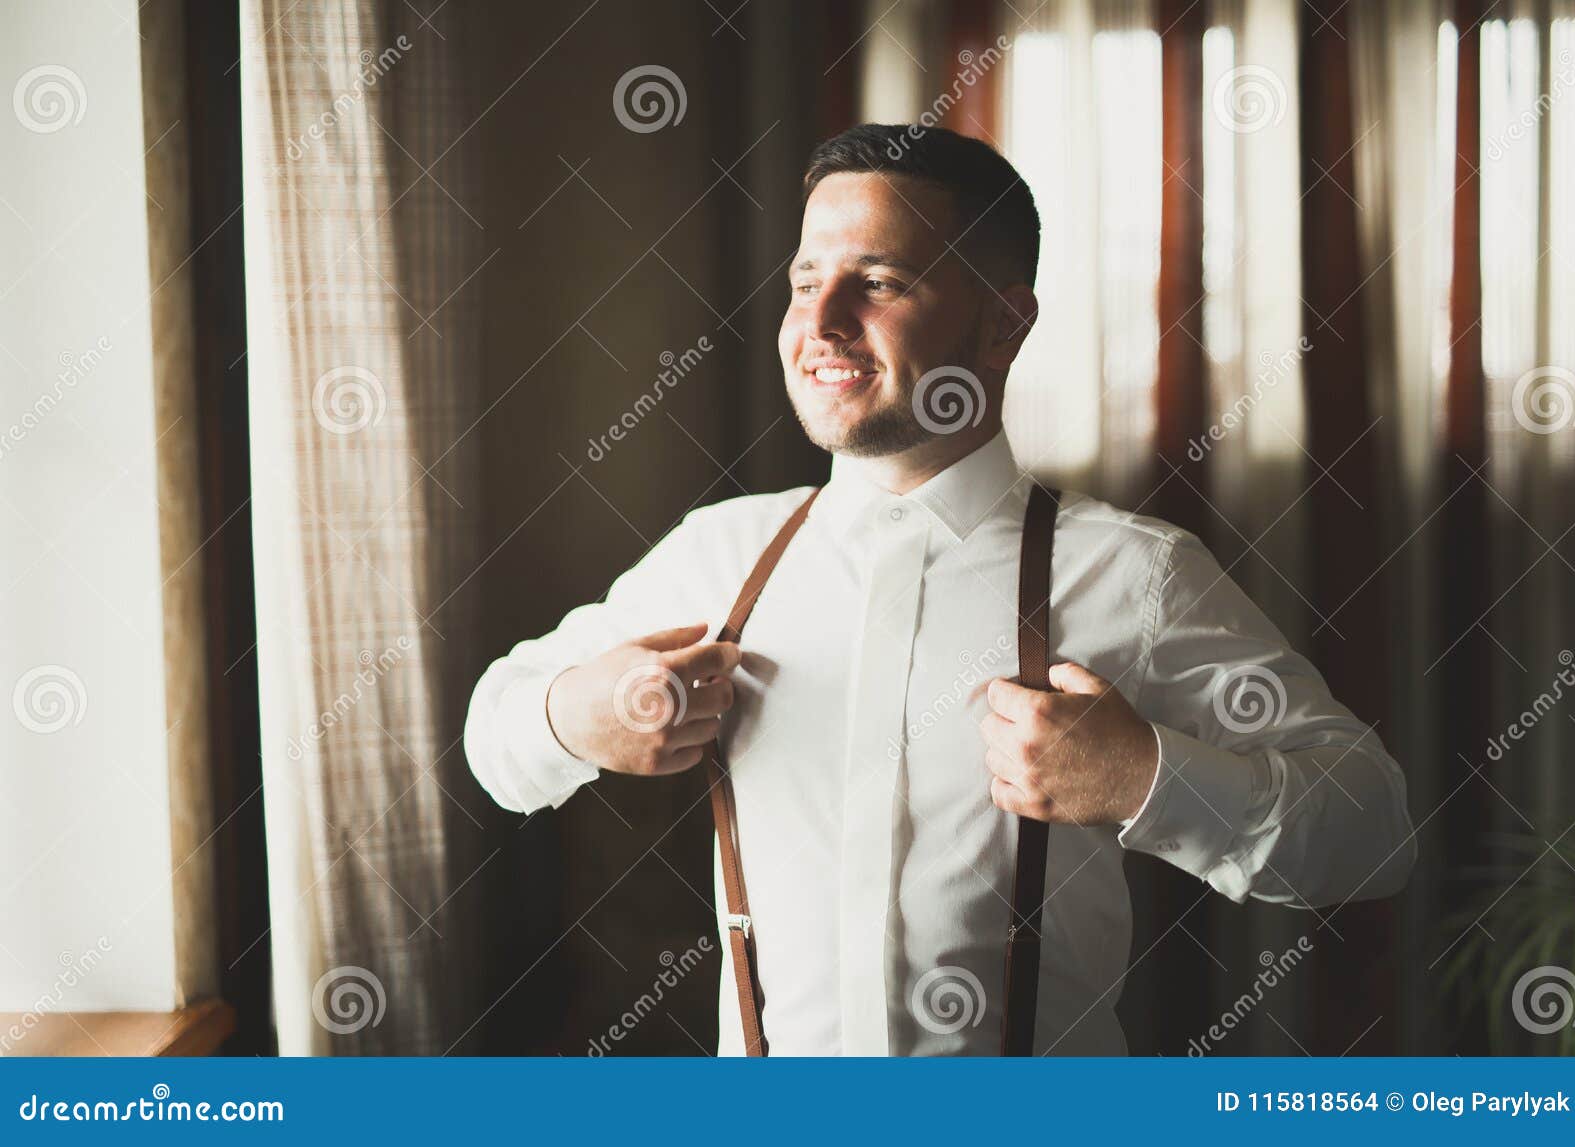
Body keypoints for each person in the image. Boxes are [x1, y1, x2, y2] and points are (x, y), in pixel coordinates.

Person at [464, 123, 1416, 1056]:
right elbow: (492, 737)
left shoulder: (1135, 573)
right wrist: (568, 715)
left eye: (876, 283)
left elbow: (1373, 830)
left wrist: (1146, 778)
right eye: (805, 282)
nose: (820, 322)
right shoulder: (718, 556)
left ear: (1006, 323)